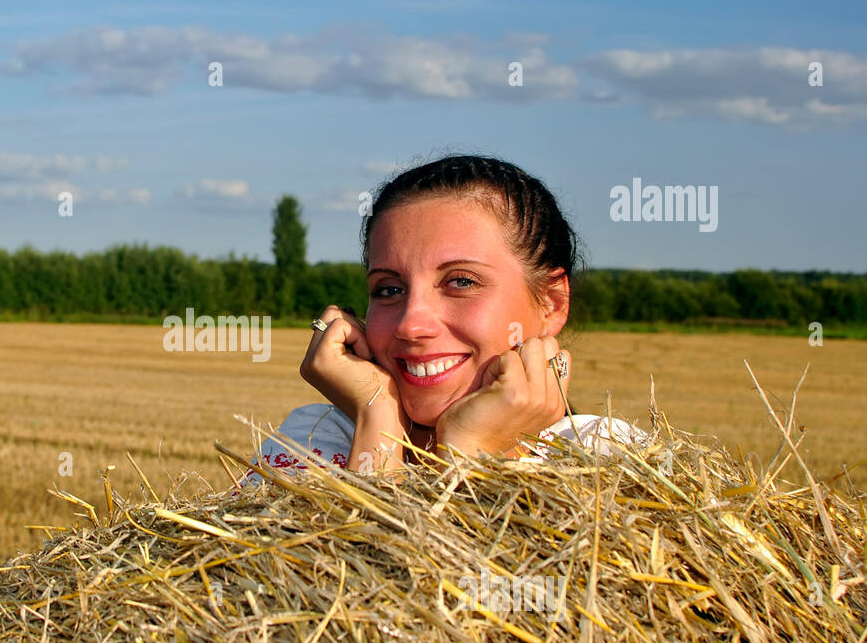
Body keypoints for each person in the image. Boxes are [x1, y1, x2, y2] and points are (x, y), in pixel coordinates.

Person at [241, 154, 647, 488]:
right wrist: (376, 416)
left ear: (552, 303)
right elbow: (344, 581)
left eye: (461, 281)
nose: (410, 324)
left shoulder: (606, 460)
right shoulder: (316, 437)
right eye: (389, 289)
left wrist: (471, 451)